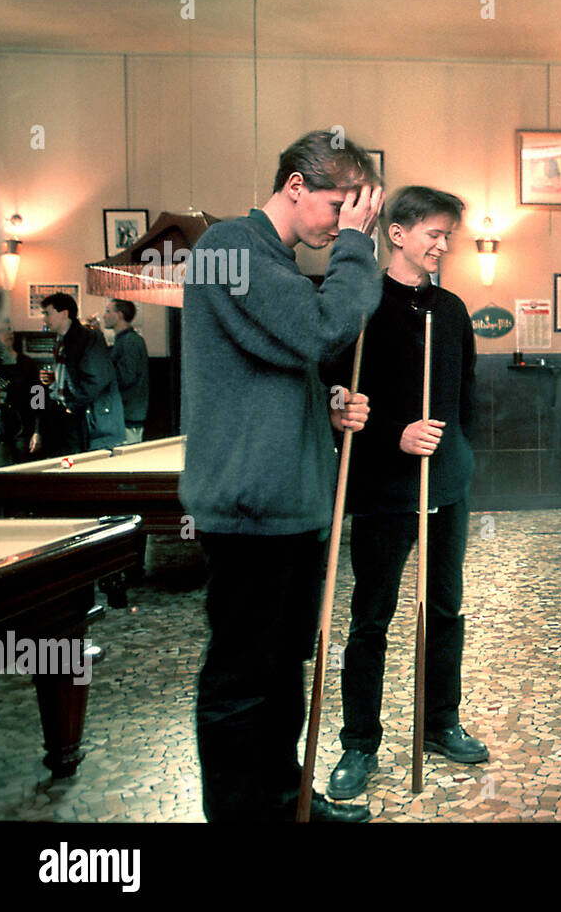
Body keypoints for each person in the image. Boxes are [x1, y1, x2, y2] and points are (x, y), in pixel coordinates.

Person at [181, 129, 384, 823]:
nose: (341, 225)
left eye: (352, 216)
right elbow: (324, 329)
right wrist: (362, 247)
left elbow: (276, 366)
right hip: (251, 508)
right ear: (294, 185)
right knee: (245, 677)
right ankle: (246, 815)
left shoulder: (274, 262)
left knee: (284, 670)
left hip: (292, 505)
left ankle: (285, 798)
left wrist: (322, 405)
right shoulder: (227, 250)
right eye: (337, 208)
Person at [324, 186, 485, 802]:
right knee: (371, 619)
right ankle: (358, 742)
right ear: (398, 233)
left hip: (446, 484)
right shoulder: (360, 306)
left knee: (445, 610)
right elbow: (336, 395)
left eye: (448, 237)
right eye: (433, 235)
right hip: (383, 489)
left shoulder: (451, 310)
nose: (443, 246)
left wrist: (457, 457)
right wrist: (394, 433)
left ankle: (441, 721)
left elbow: (466, 398)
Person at [40, 292, 124, 454]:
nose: (44, 319)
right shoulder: (61, 340)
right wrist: (55, 381)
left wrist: (72, 404)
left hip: (87, 417)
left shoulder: (88, 338)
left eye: (47, 313)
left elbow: (97, 380)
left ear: (64, 313)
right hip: (70, 414)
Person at [0, 320, 43, 467]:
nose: (8, 333)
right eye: (1, 330)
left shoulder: (27, 363)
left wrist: (38, 431)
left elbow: (38, 398)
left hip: (23, 430)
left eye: (9, 329)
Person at [102, 299, 150, 443]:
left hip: (128, 415)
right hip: (126, 414)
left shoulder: (130, 341)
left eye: (108, 311)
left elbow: (126, 377)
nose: (104, 315)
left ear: (119, 315)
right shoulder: (125, 340)